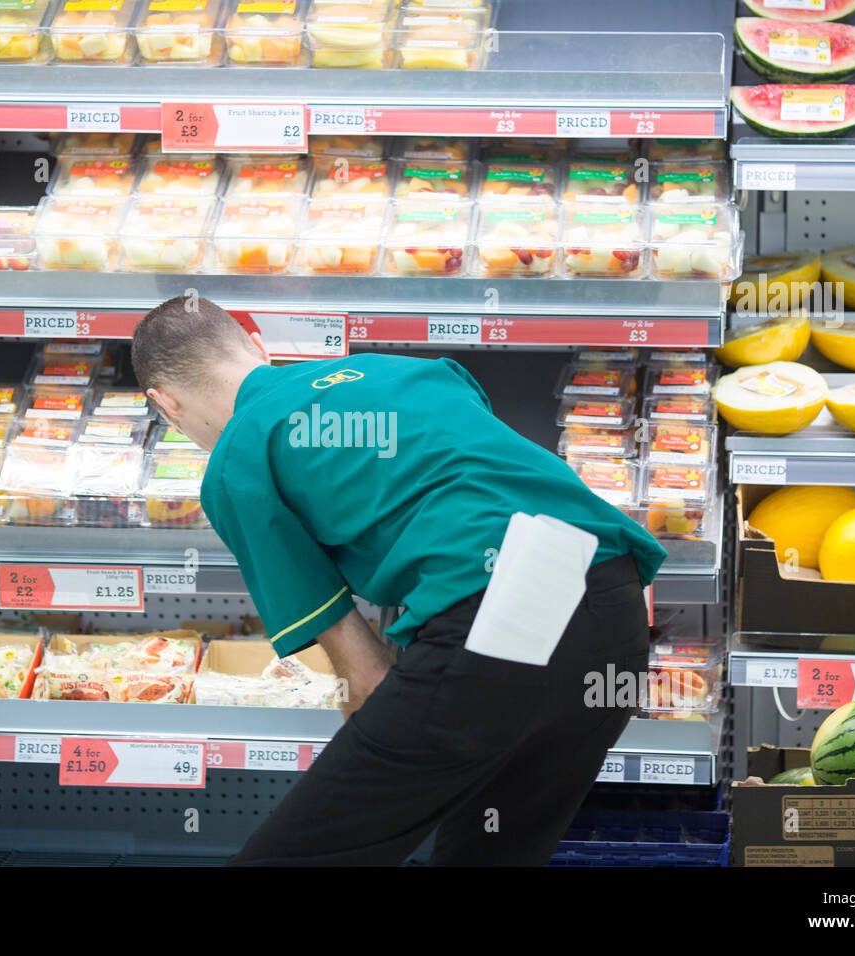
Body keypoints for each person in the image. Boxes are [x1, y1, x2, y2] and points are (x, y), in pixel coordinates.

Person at [131, 295, 668, 866]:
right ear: (259, 348)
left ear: (164, 403)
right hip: (616, 603)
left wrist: (379, 746)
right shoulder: (411, 370)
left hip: (497, 617)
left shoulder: (238, 460)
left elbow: (364, 673)